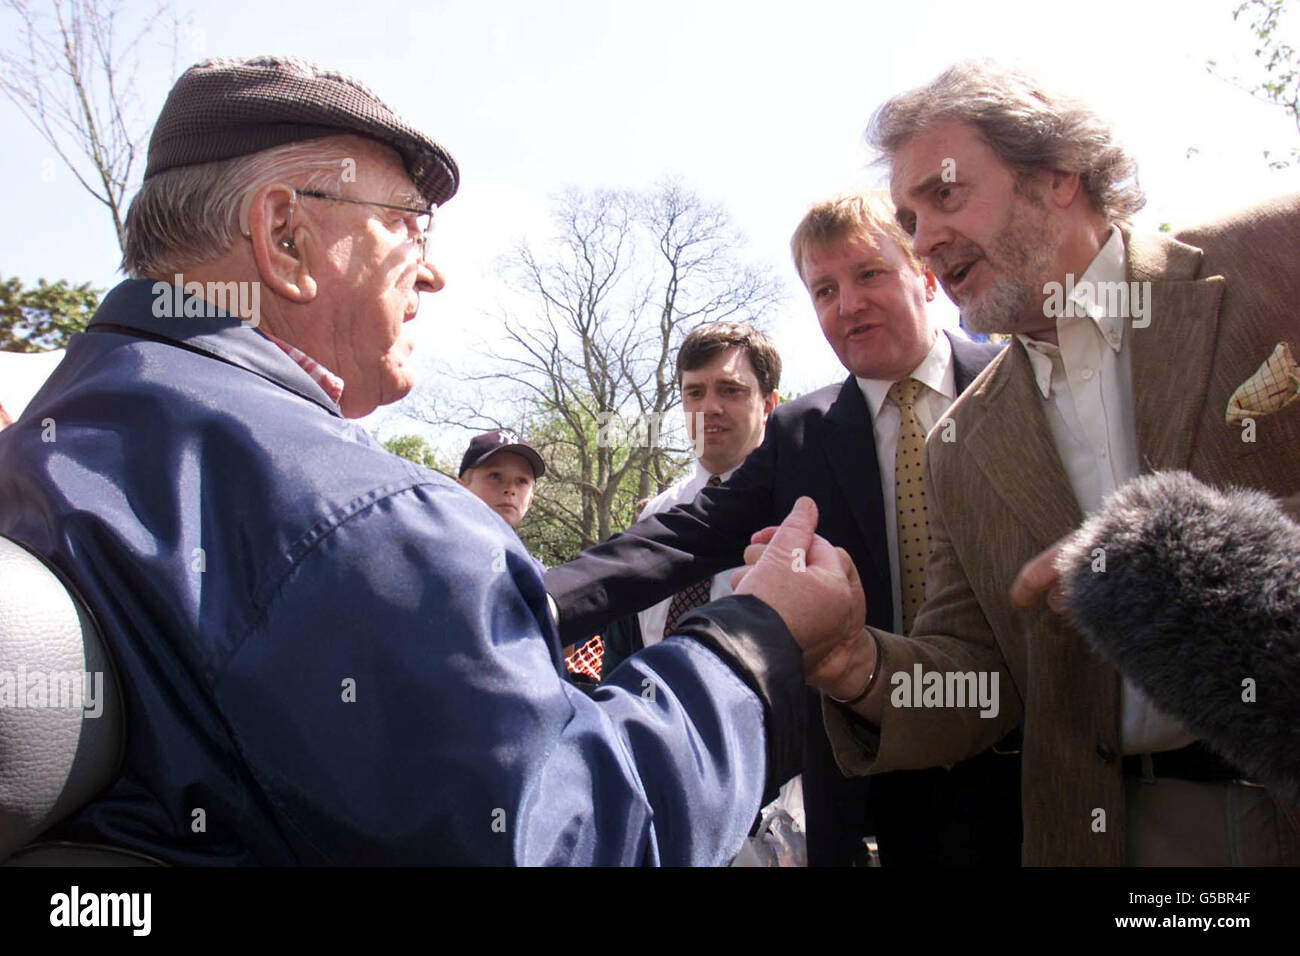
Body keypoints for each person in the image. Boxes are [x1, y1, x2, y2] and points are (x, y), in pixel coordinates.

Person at [0, 54, 849, 866]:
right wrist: (750, 644)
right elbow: (570, 841)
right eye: (407, 223)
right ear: (285, 239)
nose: (433, 272)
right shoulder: (362, 523)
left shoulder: (51, 442)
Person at [803, 60, 1300, 865]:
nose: (923, 239)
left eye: (946, 194)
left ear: (1058, 171)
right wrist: (855, 664)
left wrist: (1160, 562)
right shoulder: (962, 446)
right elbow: (980, 678)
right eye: (910, 216)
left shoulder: (1278, 260)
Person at [546, 190, 1007, 866]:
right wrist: (528, 603)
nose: (846, 304)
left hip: (1018, 769)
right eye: (824, 289)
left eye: (868, 275)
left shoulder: (1017, 383)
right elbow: (678, 538)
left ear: (927, 278)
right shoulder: (802, 437)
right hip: (859, 785)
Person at [457, 428, 545, 529]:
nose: (511, 489)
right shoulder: (440, 540)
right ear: (461, 490)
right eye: (495, 476)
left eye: (522, 481)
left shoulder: (511, 544)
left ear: (530, 499)